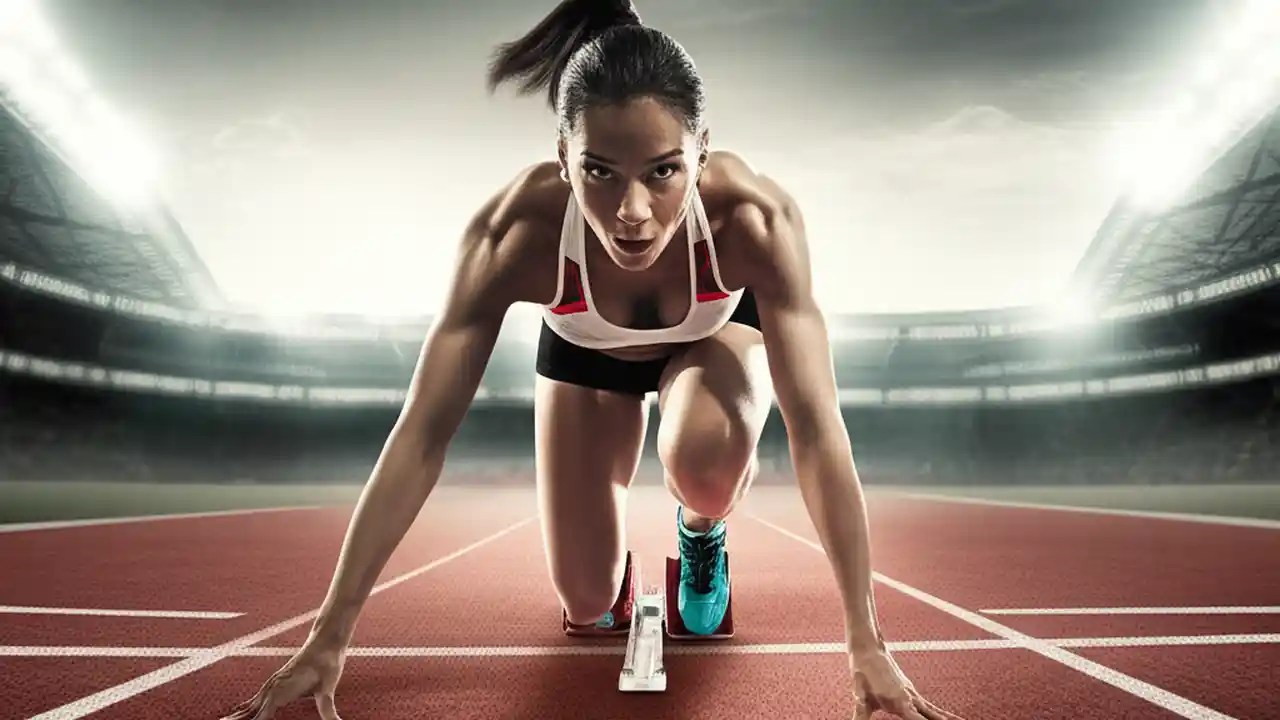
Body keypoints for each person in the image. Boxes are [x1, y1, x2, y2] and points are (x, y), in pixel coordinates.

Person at [222, 2, 965, 719]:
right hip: (586, 353)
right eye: (601, 172)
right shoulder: (513, 235)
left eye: (664, 172)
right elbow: (420, 435)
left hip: (709, 341)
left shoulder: (754, 222)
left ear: (702, 153)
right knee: (583, 601)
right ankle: (608, 580)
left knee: (704, 463)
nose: (632, 212)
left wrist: (866, 642)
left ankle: (701, 532)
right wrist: (330, 636)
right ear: (562, 158)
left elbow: (818, 430)